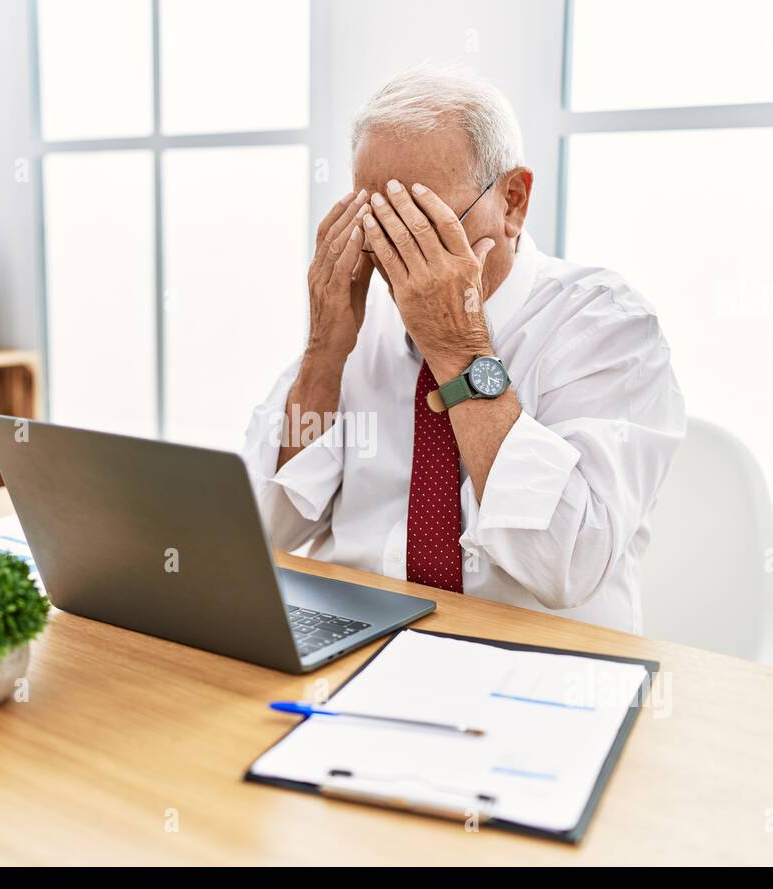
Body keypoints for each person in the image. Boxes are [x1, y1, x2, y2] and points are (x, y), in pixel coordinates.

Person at [241, 66, 685, 634]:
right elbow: (264, 530)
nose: (397, 248)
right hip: (354, 638)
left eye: (426, 220)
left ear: (514, 201)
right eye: (376, 217)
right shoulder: (359, 322)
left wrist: (459, 350)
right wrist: (323, 354)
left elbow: (566, 564)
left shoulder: (609, 327)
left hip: (533, 665)